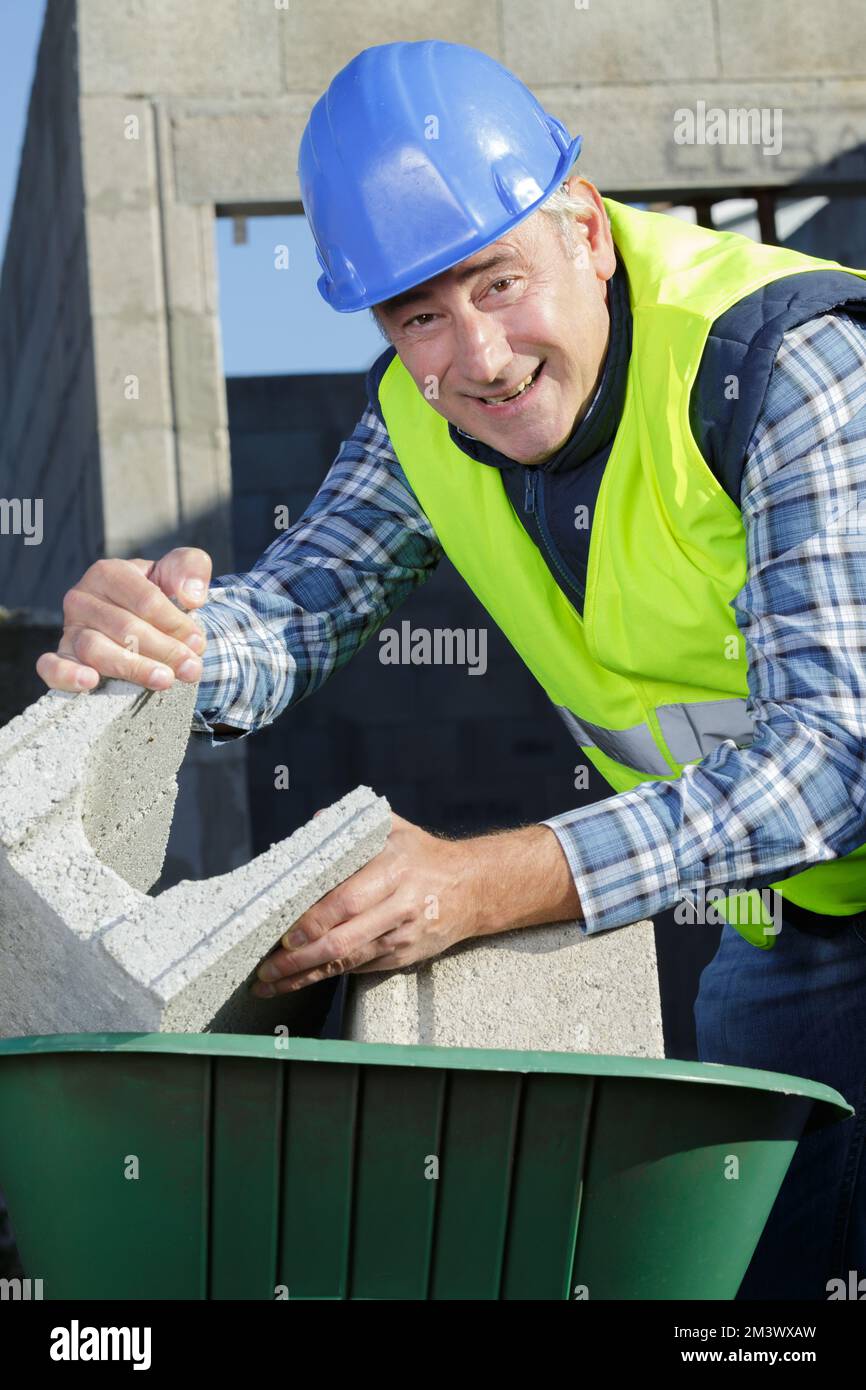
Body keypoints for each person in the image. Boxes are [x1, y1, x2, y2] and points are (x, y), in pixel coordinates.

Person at [37, 41, 866, 1299]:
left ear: (584, 229)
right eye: (418, 311)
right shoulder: (419, 417)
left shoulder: (785, 362)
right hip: (803, 928)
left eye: (497, 282)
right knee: (753, 1304)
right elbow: (301, 608)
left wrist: (484, 882)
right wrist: (172, 646)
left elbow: (831, 764)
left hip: (822, 844)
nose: (474, 357)